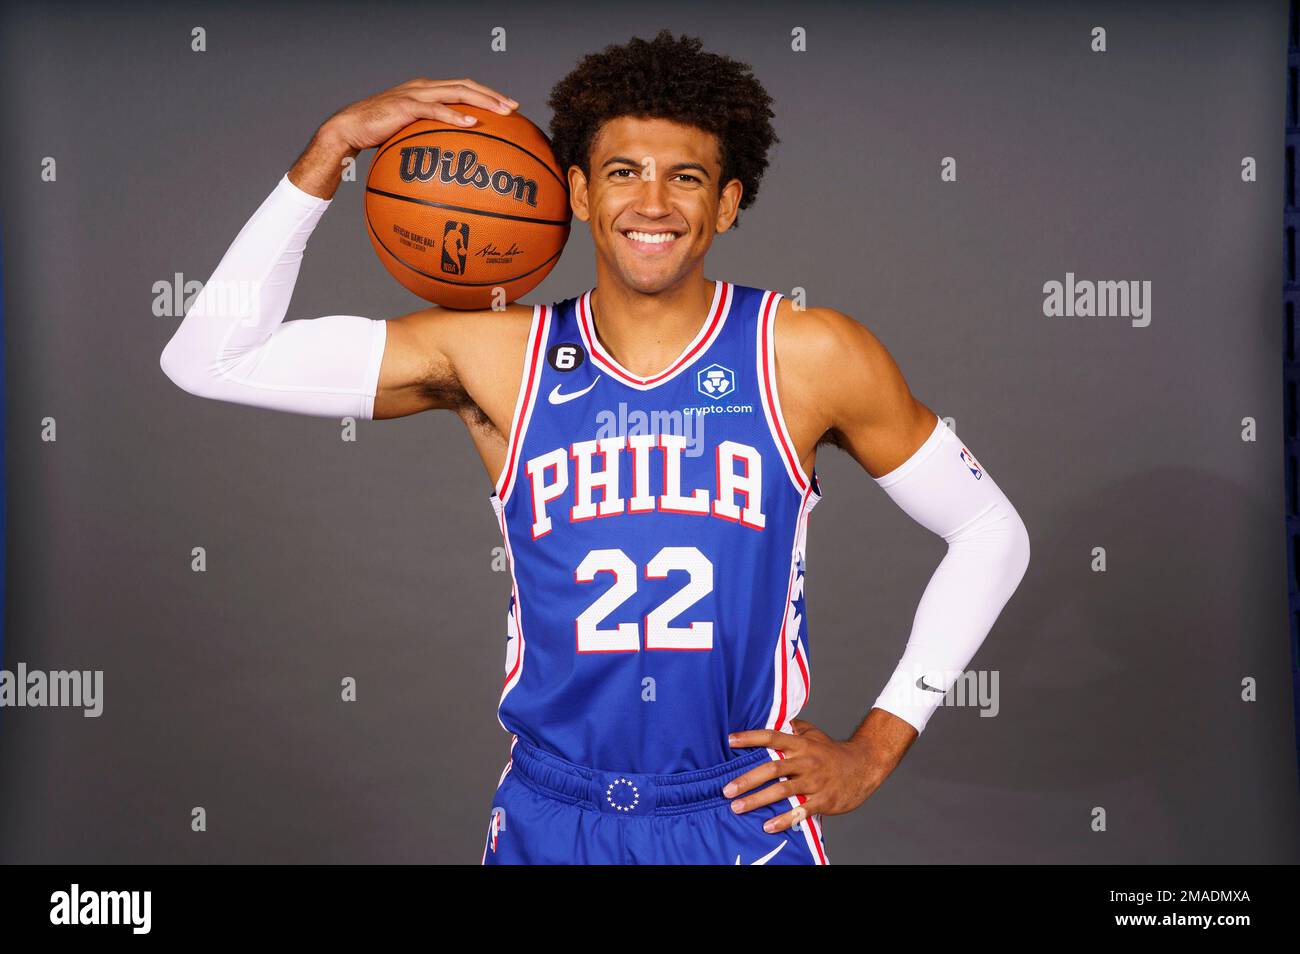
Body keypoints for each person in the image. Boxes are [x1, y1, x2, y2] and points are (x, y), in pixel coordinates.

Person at [160, 32, 1030, 865]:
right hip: (552, 814)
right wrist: (334, 147)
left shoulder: (807, 354)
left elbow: (991, 532)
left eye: (685, 177)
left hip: (736, 814)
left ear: (727, 202)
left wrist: (876, 748)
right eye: (624, 173)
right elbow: (209, 357)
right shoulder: (495, 353)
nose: (651, 203)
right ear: (576, 193)